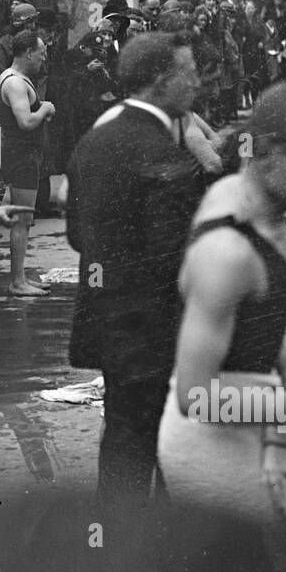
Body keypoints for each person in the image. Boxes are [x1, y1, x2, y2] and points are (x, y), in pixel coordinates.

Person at [155, 81, 286, 572]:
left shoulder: (244, 200)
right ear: (269, 151)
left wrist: (269, 346)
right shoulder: (228, 250)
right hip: (212, 446)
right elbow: (196, 397)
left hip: (244, 423)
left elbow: (225, 309)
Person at [66, 31, 204, 510]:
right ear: (162, 81)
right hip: (157, 327)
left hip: (108, 320)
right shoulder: (164, 154)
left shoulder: (95, 139)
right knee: (172, 452)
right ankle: (167, 560)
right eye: (190, 74)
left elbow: (76, 236)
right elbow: (175, 258)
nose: (198, 84)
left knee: (123, 440)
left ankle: (114, 553)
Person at [0, 29, 54, 297]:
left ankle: (20, 276)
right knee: (22, 218)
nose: (43, 58)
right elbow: (26, 122)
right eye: (40, 53)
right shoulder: (16, 83)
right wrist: (45, 108)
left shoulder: (14, 79)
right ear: (28, 52)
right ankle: (17, 282)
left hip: (24, 154)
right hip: (22, 156)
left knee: (24, 218)